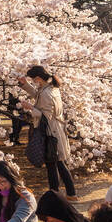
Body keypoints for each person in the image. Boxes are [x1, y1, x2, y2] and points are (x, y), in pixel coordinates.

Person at [19, 65, 76, 199]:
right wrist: (26, 85)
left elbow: (44, 115)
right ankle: (69, 193)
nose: (33, 82)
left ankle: (56, 194)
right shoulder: (50, 88)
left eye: (33, 80)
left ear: (38, 78)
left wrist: (30, 108)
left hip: (51, 131)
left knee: (53, 163)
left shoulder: (46, 92)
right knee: (58, 162)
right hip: (56, 129)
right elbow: (38, 96)